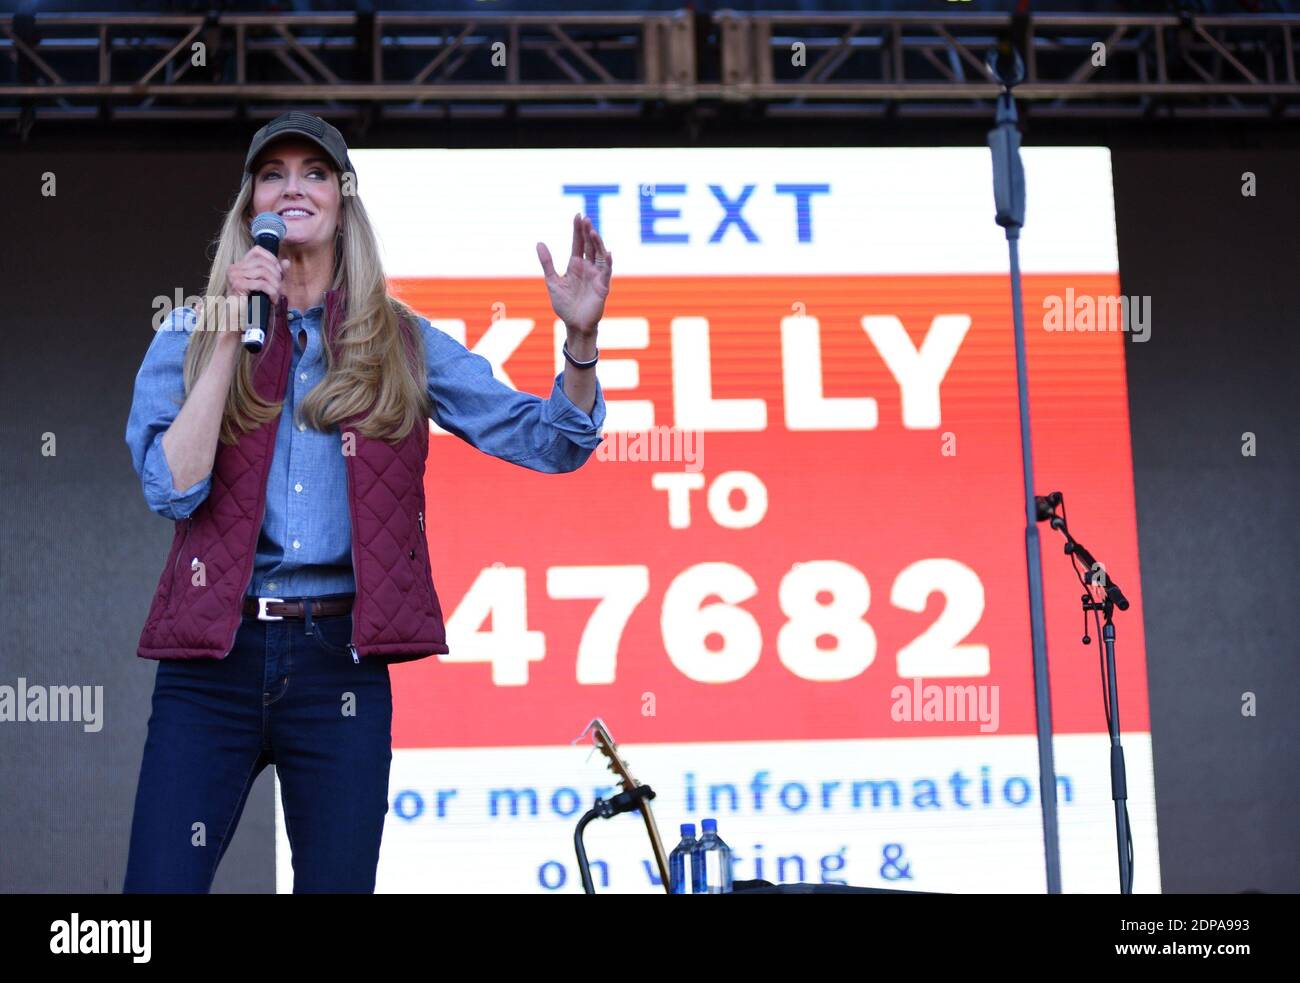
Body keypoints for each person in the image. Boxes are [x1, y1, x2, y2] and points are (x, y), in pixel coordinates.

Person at [122, 112, 611, 892]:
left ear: (344, 203)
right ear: (251, 209)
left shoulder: (400, 341)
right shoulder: (191, 330)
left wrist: (580, 345)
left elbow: (554, 442)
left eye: (315, 173)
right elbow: (171, 488)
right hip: (213, 662)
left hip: (337, 666)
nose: (293, 189)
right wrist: (228, 336)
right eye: (273, 175)